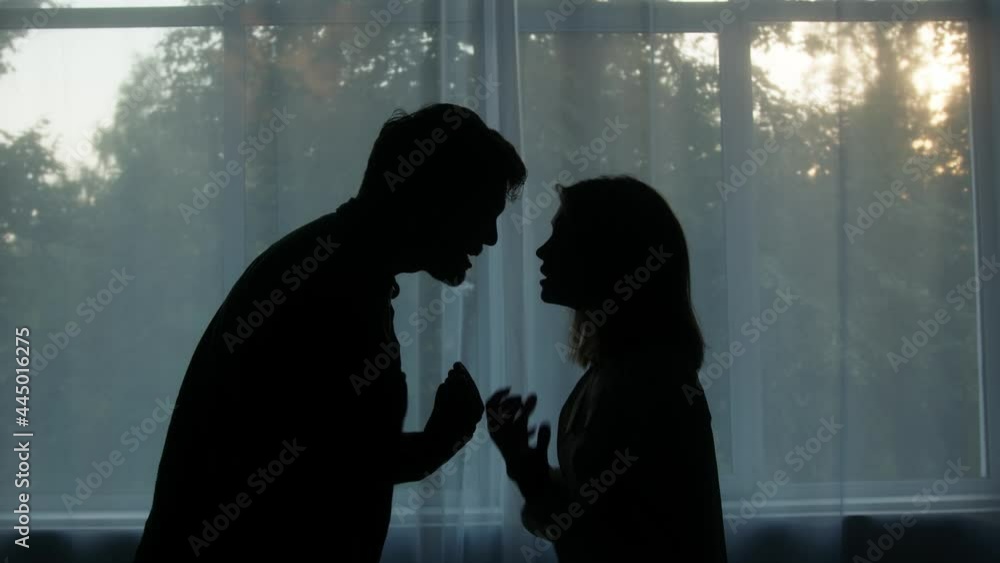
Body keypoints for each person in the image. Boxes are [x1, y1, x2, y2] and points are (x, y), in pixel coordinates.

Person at [132, 103, 527, 562]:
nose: (490, 237)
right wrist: (436, 443)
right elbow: (324, 465)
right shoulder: (334, 288)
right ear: (433, 200)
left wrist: (433, 445)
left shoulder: (330, 267)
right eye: (482, 213)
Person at [487, 175, 729, 562]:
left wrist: (531, 477)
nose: (542, 251)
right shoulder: (622, 372)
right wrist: (528, 471)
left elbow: (606, 543)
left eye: (562, 236)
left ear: (608, 254)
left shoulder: (649, 384)